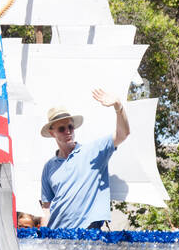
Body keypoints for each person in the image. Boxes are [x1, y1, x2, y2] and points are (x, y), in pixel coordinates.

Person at [39, 89, 130, 230]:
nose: (68, 131)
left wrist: (118, 106)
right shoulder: (49, 167)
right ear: (52, 133)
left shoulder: (93, 152)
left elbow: (123, 134)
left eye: (70, 127)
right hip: (56, 236)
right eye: (62, 129)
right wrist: (43, 237)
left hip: (88, 234)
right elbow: (47, 207)